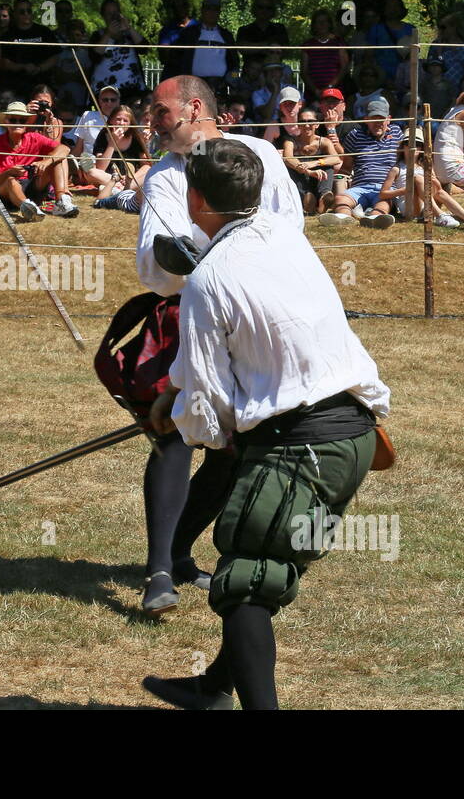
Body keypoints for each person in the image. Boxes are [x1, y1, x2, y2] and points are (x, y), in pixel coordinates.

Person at [141, 138, 389, 710]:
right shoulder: (285, 236)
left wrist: (181, 419)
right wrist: (175, 392)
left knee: (245, 586)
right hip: (354, 433)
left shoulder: (206, 283)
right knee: (265, 569)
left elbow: (209, 404)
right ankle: (211, 687)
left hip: (301, 445)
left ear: (194, 198)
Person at [131, 74, 303, 615]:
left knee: (236, 445)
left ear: (194, 108)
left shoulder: (257, 153)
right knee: (176, 433)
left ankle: (183, 552)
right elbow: (152, 264)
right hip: (189, 311)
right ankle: (159, 570)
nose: (150, 124)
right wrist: (174, 253)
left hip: (255, 310)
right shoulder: (163, 178)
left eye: (159, 112)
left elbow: (287, 225)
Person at [0, 101, 77, 220]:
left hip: (34, 186)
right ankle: (27, 208)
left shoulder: (34, 138)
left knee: (57, 158)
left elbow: (65, 149)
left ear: (27, 123)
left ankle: (61, 201)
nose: (17, 124)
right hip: (7, 193)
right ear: (6, 122)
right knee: (10, 181)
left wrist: (45, 162)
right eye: (13, 120)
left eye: (22, 120)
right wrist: (9, 172)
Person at [319, 98, 401, 228]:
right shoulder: (355, 135)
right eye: (374, 119)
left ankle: (375, 218)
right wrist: (337, 182)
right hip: (360, 187)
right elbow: (346, 166)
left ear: (388, 119)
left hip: (385, 188)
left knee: (384, 202)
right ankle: (343, 218)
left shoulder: (396, 133)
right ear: (366, 119)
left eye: (381, 119)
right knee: (341, 198)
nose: (378, 123)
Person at [281, 107, 342, 215]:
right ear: (298, 124)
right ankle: (308, 198)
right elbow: (288, 159)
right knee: (292, 167)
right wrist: (308, 171)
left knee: (328, 164)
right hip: (302, 176)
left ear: (317, 124)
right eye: (303, 122)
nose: (307, 125)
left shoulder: (324, 141)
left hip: (319, 178)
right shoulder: (290, 141)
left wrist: (316, 163)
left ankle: (324, 196)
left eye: (310, 122)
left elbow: (336, 158)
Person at [0, 0, 60, 95]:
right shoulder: (7, 35)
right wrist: (23, 67)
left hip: (41, 85)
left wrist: (39, 68)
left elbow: (54, 57)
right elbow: (3, 62)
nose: (26, 14)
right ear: (15, 14)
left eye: (28, 11)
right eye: (22, 12)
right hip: (14, 86)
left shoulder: (44, 31)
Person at [173, 0, 237, 91]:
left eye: (215, 9)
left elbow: (235, 65)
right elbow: (177, 60)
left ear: (219, 12)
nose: (211, 12)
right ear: (202, 10)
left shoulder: (227, 36)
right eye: (208, 8)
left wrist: (230, 80)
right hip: (193, 87)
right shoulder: (189, 34)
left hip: (220, 88)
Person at [88, 0, 147, 99]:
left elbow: (144, 49)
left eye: (116, 13)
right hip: (106, 94)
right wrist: (108, 34)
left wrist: (129, 28)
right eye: (109, 14)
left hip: (133, 92)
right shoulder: (98, 35)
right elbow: (94, 57)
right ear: (103, 16)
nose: (113, 17)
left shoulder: (129, 35)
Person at [299, 9, 348, 102]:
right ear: (314, 25)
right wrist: (316, 91)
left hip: (335, 93)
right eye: (319, 22)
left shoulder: (339, 43)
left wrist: (329, 87)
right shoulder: (307, 45)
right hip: (313, 94)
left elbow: (344, 68)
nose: (322, 24)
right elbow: (304, 72)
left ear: (329, 24)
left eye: (325, 21)